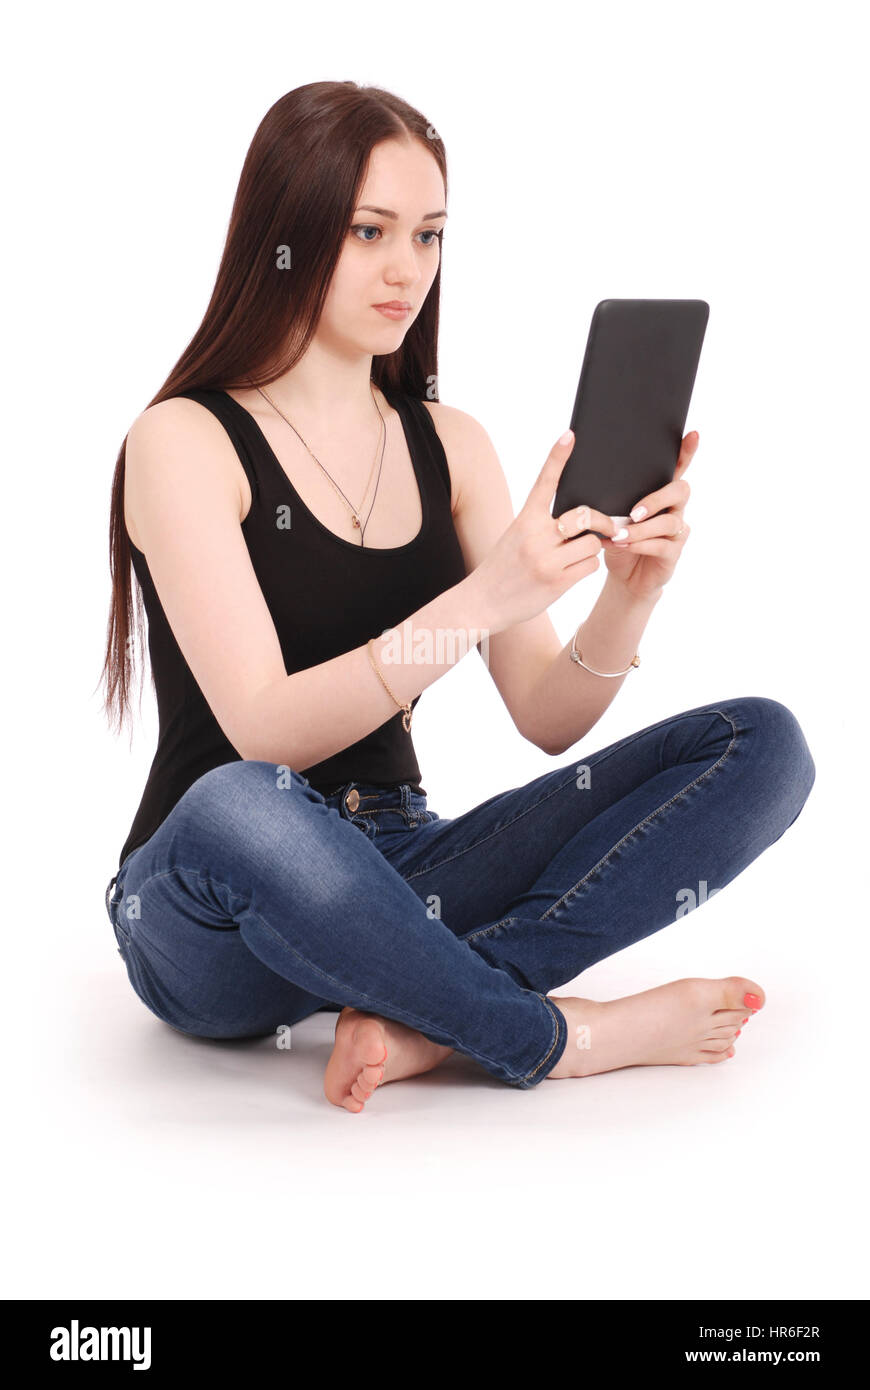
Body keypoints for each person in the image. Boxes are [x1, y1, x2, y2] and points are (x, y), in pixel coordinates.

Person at [100, 81, 815, 1114]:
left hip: (399, 867)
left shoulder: (453, 446)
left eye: (430, 235)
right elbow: (260, 728)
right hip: (214, 896)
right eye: (370, 231)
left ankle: (423, 1012)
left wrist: (629, 597)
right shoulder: (184, 440)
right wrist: (482, 598)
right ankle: (555, 1033)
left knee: (765, 743)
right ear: (287, 231)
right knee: (235, 803)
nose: (408, 269)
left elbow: (546, 717)